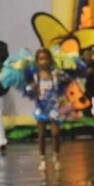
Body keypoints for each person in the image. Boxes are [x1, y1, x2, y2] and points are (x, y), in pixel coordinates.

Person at [23, 46, 69, 177]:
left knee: (55, 133)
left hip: (54, 108)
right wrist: (31, 87)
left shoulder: (55, 74)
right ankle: (42, 159)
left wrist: (62, 75)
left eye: (46, 58)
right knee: (42, 134)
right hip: (41, 108)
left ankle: (56, 156)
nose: (43, 61)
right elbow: (28, 90)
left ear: (50, 60)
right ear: (37, 61)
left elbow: (66, 79)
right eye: (40, 59)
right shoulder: (35, 76)